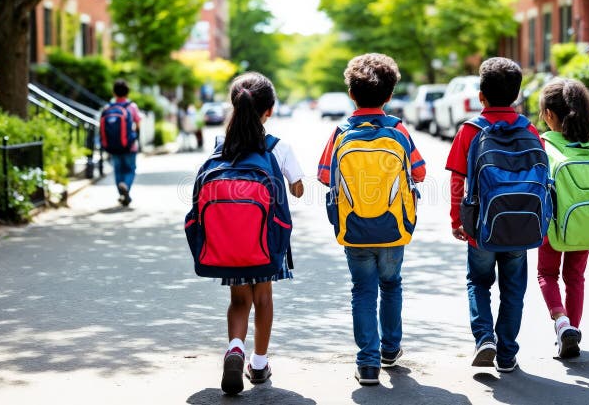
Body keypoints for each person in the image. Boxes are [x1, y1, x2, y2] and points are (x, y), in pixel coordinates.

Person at [318, 53, 426, 386]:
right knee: (391, 284)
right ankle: (390, 350)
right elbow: (419, 173)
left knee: (362, 290)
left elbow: (325, 177)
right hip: (394, 226)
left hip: (354, 228)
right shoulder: (398, 130)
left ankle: (367, 363)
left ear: (351, 93)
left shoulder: (340, 131)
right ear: (390, 95)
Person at [445, 57, 540, 373]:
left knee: (479, 282)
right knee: (514, 289)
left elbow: (457, 179)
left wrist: (457, 219)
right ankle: (507, 353)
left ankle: (484, 338)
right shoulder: (529, 129)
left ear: (481, 96)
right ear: (516, 95)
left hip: (481, 226)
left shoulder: (471, 130)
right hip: (522, 225)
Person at [218, 72, 304, 395]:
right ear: (269, 111)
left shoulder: (221, 146)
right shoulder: (277, 147)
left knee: (239, 300)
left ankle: (235, 348)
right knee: (263, 298)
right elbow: (296, 189)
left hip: (230, 240)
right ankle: (258, 362)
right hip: (267, 240)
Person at [536, 78, 589, 359]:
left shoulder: (545, 143)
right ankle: (573, 329)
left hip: (553, 223)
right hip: (584, 221)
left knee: (546, 274)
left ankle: (562, 324)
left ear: (549, 115)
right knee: (575, 276)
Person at [109, 80, 141, 206]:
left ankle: (121, 193)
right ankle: (126, 186)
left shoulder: (109, 106)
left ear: (114, 92)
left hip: (113, 145)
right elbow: (138, 123)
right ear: (127, 92)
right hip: (129, 145)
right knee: (130, 169)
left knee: (118, 169)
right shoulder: (131, 107)